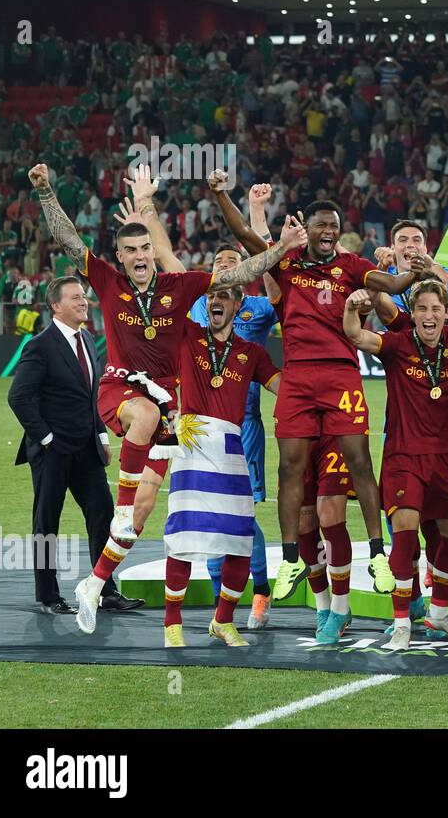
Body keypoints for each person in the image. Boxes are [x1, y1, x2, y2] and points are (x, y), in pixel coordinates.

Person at [28, 163, 292, 634]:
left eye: (145, 247)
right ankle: (122, 509)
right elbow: (69, 241)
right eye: (129, 250)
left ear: (153, 248)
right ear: (120, 255)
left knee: (146, 509)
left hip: (171, 415)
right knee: (144, 421)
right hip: (122, 392)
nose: (140, 256)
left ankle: (93, 583)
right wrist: (47, 190)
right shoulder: (108, 283)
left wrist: (282, 249)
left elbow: (244, 270)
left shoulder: (181, 287)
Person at [209, 170, 422, 606]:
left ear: (339, 234)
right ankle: (291, 558)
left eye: (334, 228)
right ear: (308, 231)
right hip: (299, 377)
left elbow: (396, 285)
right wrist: (219, 194)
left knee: (359, 459)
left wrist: (409, 272)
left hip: (342, 374)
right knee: (290, 466)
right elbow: (242, 233)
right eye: (321, 225)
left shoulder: (353, 268)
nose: (328, 232)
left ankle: (378, 555)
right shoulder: (286, 261)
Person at [132, 177, 280, 630]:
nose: (223, 273)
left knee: (242, 515)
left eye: (232, 268)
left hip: (243, 427)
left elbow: (278, 280)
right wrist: (148, 209)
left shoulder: (256, 310)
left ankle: (258, 593)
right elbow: (169, 261)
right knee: (196, 518)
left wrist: (257, 219)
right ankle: (218, 605)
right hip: (195, 428)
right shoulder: (194, 315)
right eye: (218, 268)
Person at [344, 279, 448, 649]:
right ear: (414, 312)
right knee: (405, 538)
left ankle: (439, 613)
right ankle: (402, 622)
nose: (429, 315)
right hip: (404, 457)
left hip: (444, 459)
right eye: (422, 308)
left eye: (436, 309)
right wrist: (351, 308)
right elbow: (357, 337)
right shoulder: (398, 344)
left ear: (445, 313)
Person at [8, 276, 140, 616]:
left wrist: (101, 437)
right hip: (53, 452)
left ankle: (105, 589)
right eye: (76, 297)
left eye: (84, 296)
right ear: (56, 305)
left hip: (86, 449)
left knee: (103, 517)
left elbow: (89, 397)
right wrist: (47, 438)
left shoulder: (87, 340)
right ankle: (48, 595)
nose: (84, 301)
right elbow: (19, 397)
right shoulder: (39, 345)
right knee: (46, 522)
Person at [161, 284, 283, 649]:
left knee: (239, 540)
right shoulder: (189, 335)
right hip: (193, 440)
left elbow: (284, 386)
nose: (217, 301)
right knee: (183, 539)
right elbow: (177, 289)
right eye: (211, 296)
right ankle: (172, 625)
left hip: (232, 447)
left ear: (237, 305)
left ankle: (223, 621)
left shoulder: (251, 353)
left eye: (225, 296)